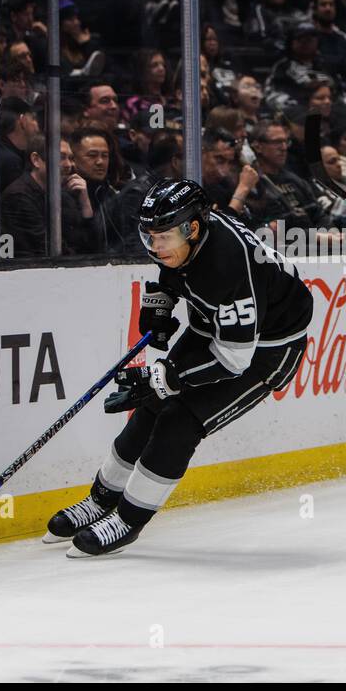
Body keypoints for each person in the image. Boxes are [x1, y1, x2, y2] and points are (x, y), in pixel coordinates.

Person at [44, 178, 313, 556]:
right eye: (148, 236)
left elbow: (235, 359)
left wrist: (167, 376)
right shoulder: (188, 241)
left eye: (163, 237)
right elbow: (178, 270)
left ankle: (128, 520)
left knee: (179, 421)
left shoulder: (229, 267)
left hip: (265, 352)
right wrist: (163, 298)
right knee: (149, 409)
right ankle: (101, 500)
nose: (155, 246)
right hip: (213, 330)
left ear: (194, 229)